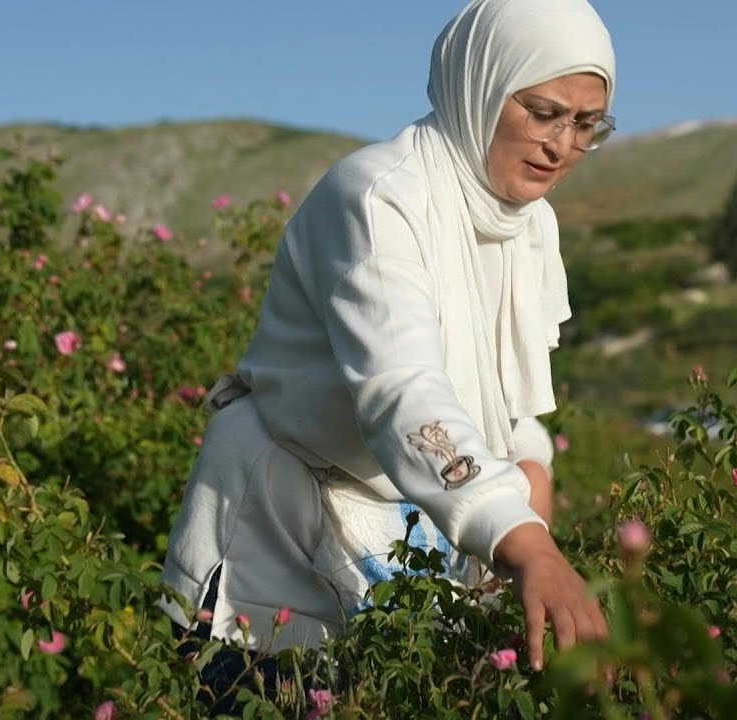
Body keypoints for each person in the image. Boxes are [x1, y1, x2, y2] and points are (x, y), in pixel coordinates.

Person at [158, 0, 616, 709]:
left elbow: (513, 400)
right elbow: (402, 391)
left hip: (419, 528)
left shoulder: (528, 225)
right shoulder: (379, 198)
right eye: (545, 111)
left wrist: (532, 519)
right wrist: (525, 546)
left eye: (587, 126)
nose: (562, 145)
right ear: (481, 84)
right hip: (285, 528)